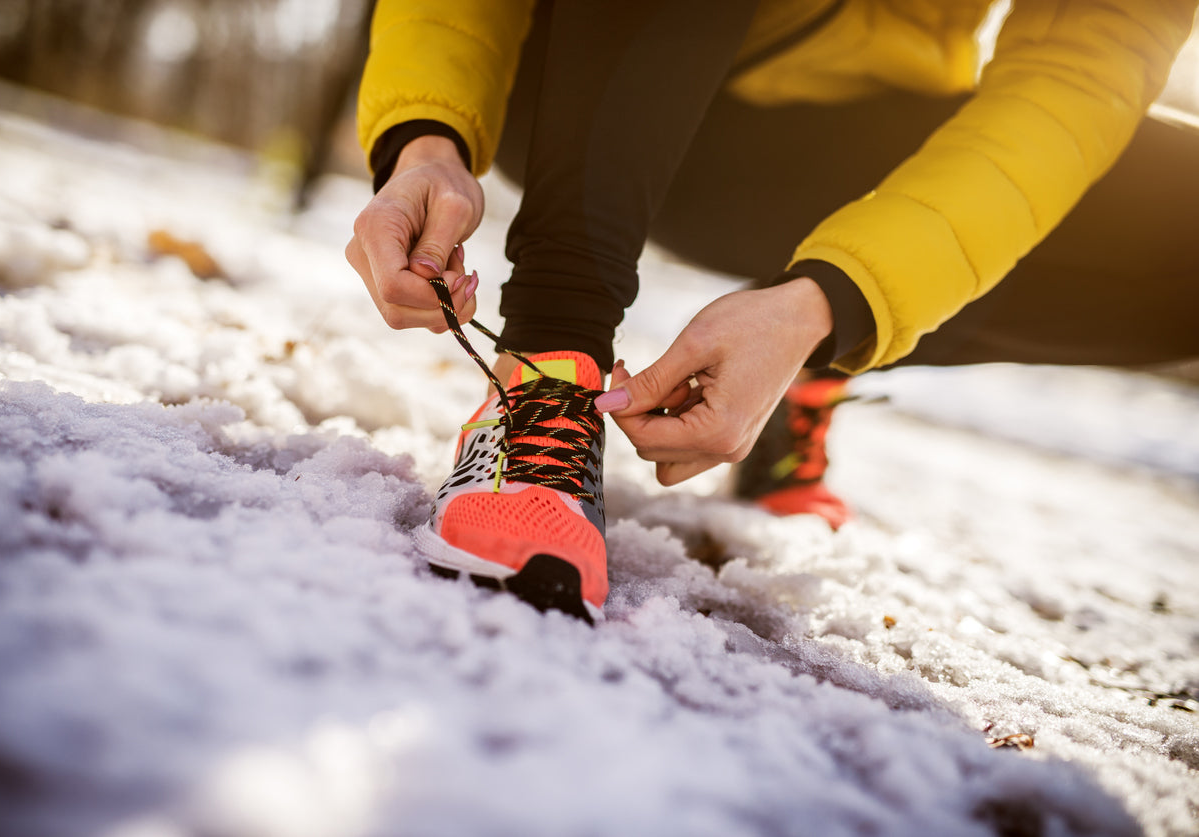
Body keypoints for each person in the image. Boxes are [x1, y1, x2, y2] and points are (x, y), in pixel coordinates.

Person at [345, 0, 1199, 623]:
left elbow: (1074, 83)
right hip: (581, 66)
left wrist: (830, 302)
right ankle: (546, 371)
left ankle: (802, 369)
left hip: (835, 136)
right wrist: (429, 135)